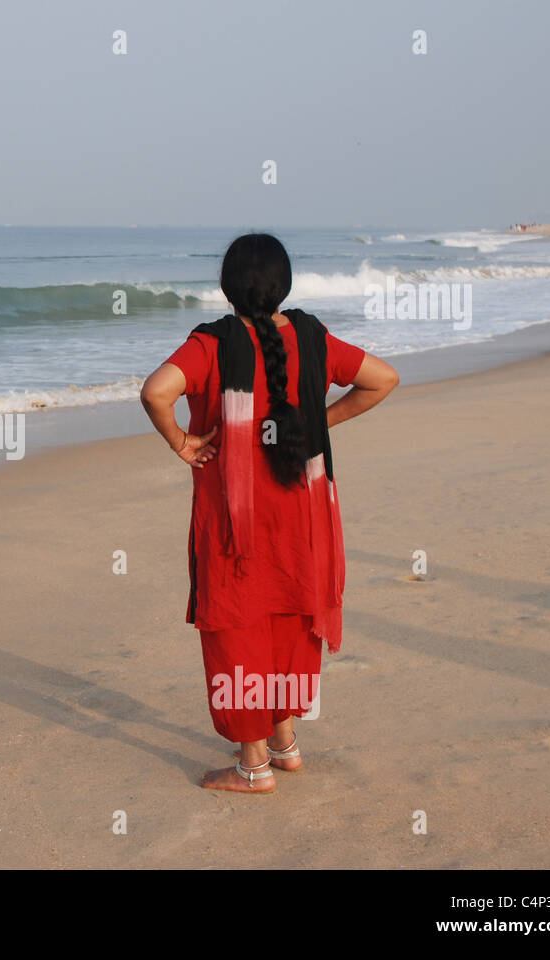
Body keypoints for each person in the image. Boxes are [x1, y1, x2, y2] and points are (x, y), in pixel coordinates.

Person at [140, 234, 398, 793]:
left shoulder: (212, 345)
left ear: (227, 287)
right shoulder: (311, 336)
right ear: (284, 285)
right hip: (304, 515)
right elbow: (383, 379)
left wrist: (182, 443)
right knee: (287, 617)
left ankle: (253, 765)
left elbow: (156, 391)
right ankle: (284, 743)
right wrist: (318, 422)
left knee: (237, 622)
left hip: (237, 521)